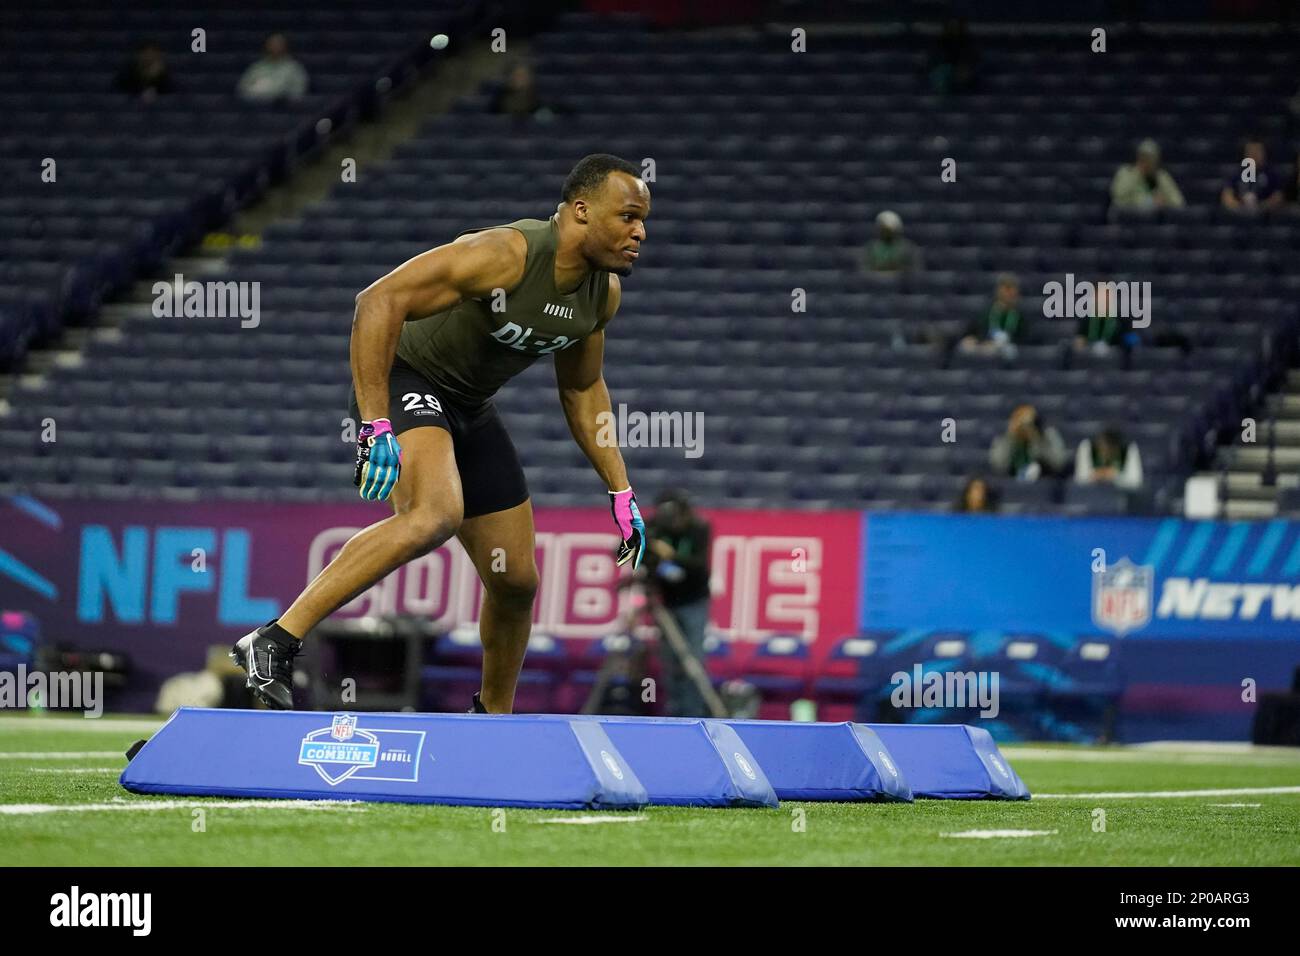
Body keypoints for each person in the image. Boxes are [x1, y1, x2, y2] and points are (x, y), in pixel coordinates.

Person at [230, 154, 651, 714]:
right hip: (409, 380)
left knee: (517, 580)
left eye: (642, 221)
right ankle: (274, 640)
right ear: (581, 211)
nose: (639, 232)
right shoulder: (505, 254)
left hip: (469, 406)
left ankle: (491, 717)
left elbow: (582, 388)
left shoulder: (602, 294)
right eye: (628, 217)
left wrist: (620, 488)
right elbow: (377, 301)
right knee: (435, 514)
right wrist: (375, 424)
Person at [641, 489, 713, 717]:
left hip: (694, 600)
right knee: (669, 659)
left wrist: (670, 555)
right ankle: (674, 710)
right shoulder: (655, 528)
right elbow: (632, 553)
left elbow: (698, 565)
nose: (672, 523)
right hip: (667, 602)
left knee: (692, 659)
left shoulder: (699, 528)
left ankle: (693, 711)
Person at [989, 404, 1068, 481]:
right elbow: (998, 464)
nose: (1025, 427)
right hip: (1013, 481)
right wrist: (1011, 438)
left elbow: (1059, 463)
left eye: (1029, 422)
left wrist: (1036, 440)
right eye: (1020, 421)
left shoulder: (1048, 434)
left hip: (1044, 480)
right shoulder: (1004, 438)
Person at [1109, 139, 1185, 213]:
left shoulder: (1161, 176)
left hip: (1154, 218)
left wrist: (1165, 202)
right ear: (1138, 157)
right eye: (1144, 157)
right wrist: (1137, 173)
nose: (1148, 161)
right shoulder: (1126, 172)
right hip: (1129, 217)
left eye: (1151, 158)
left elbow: (1178, 202)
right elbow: (1117, 196)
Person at [959, 273, 1023, 354]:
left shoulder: (1020, 317)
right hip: (985, 350)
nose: (1009, 293)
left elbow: (1023, 340)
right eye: (1006, 288)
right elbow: (971, 333)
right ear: (998, 291)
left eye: (1012, 289)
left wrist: (1001, 345)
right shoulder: (985, 313)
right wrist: (972, 340)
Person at [237, 33, 309, 103]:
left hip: (283, 108)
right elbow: (242, 88)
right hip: (256, 106)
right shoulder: (257, 67)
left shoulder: (294, 68)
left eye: (278, 44)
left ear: (285, 46)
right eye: (272, 44)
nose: (275, 47)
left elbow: (298, 92)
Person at [1220, 137, 1284, 212]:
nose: (1254, 154)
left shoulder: (1273, 174)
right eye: (1251, 151)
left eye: (1257, 151)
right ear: (1245, 154)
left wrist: (1259, 207)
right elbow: (1227, 196)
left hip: (1265, 213)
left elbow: (1278, 197)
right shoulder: (1236, 174)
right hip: (1239, 213)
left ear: (1264, 154)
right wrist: (1239, 207)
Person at [1075, 427, 1143, 490]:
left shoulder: (1128, 449)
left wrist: (1115, 476)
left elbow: (1136, 482)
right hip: (1091, 493)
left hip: (1120, 493)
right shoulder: (1087, 447)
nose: (1104, 454)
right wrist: (1094, 476)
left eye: (1108, 451)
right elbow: (1079, 481)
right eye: (1102, 449)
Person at [861, 210, 922, 274]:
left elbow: (914, 270)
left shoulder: (907, 248)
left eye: (889, 230)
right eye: (883, 229)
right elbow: (866, 271)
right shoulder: (871, 248)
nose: (886, 233)